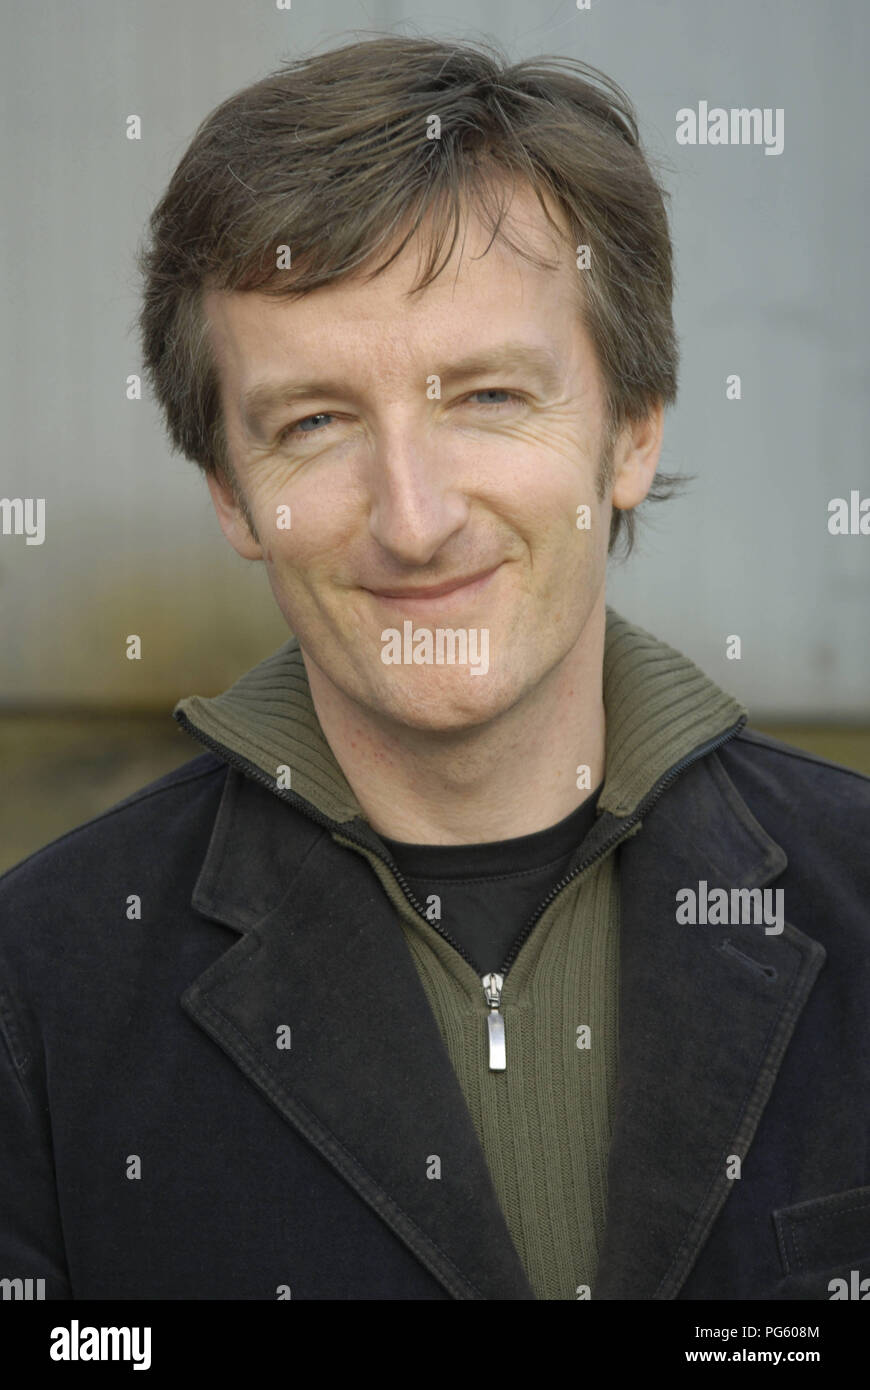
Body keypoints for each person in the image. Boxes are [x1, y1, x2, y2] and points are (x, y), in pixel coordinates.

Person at [1, 35, 868, 1302]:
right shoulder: (36, 990)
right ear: (234, 497)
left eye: (487, 397)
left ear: (630, 432)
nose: (413, 518)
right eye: (315, 422)